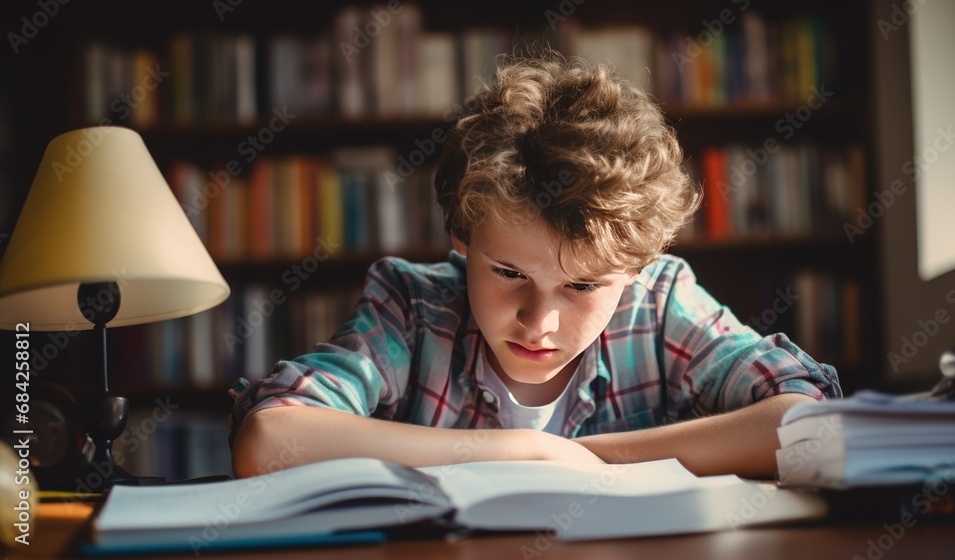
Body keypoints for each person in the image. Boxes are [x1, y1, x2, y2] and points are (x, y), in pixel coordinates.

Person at [228, 53, 841, 479]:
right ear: (462, 236)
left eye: (581, 285)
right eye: (509, 274)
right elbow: (272, 439)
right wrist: (521, 450)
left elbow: (811, 423)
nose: (539, 322)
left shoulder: (659, 301)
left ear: (634, 268)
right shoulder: (412, 307)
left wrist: (584, 459)